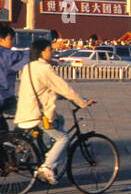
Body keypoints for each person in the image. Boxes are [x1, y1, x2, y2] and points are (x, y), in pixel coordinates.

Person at [16, 38, 93, 184]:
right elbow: (64, 88)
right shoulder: (45, 69)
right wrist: (82, 102)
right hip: (38, 115)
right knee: (63, 138)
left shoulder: (28, 67)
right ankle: (47, 166)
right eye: (49, 49)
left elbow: (45, 89)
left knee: (60, 120)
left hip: (25, 111)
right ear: (41, 52)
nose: (52, 52)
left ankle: (49, 153)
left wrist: (65, 97)